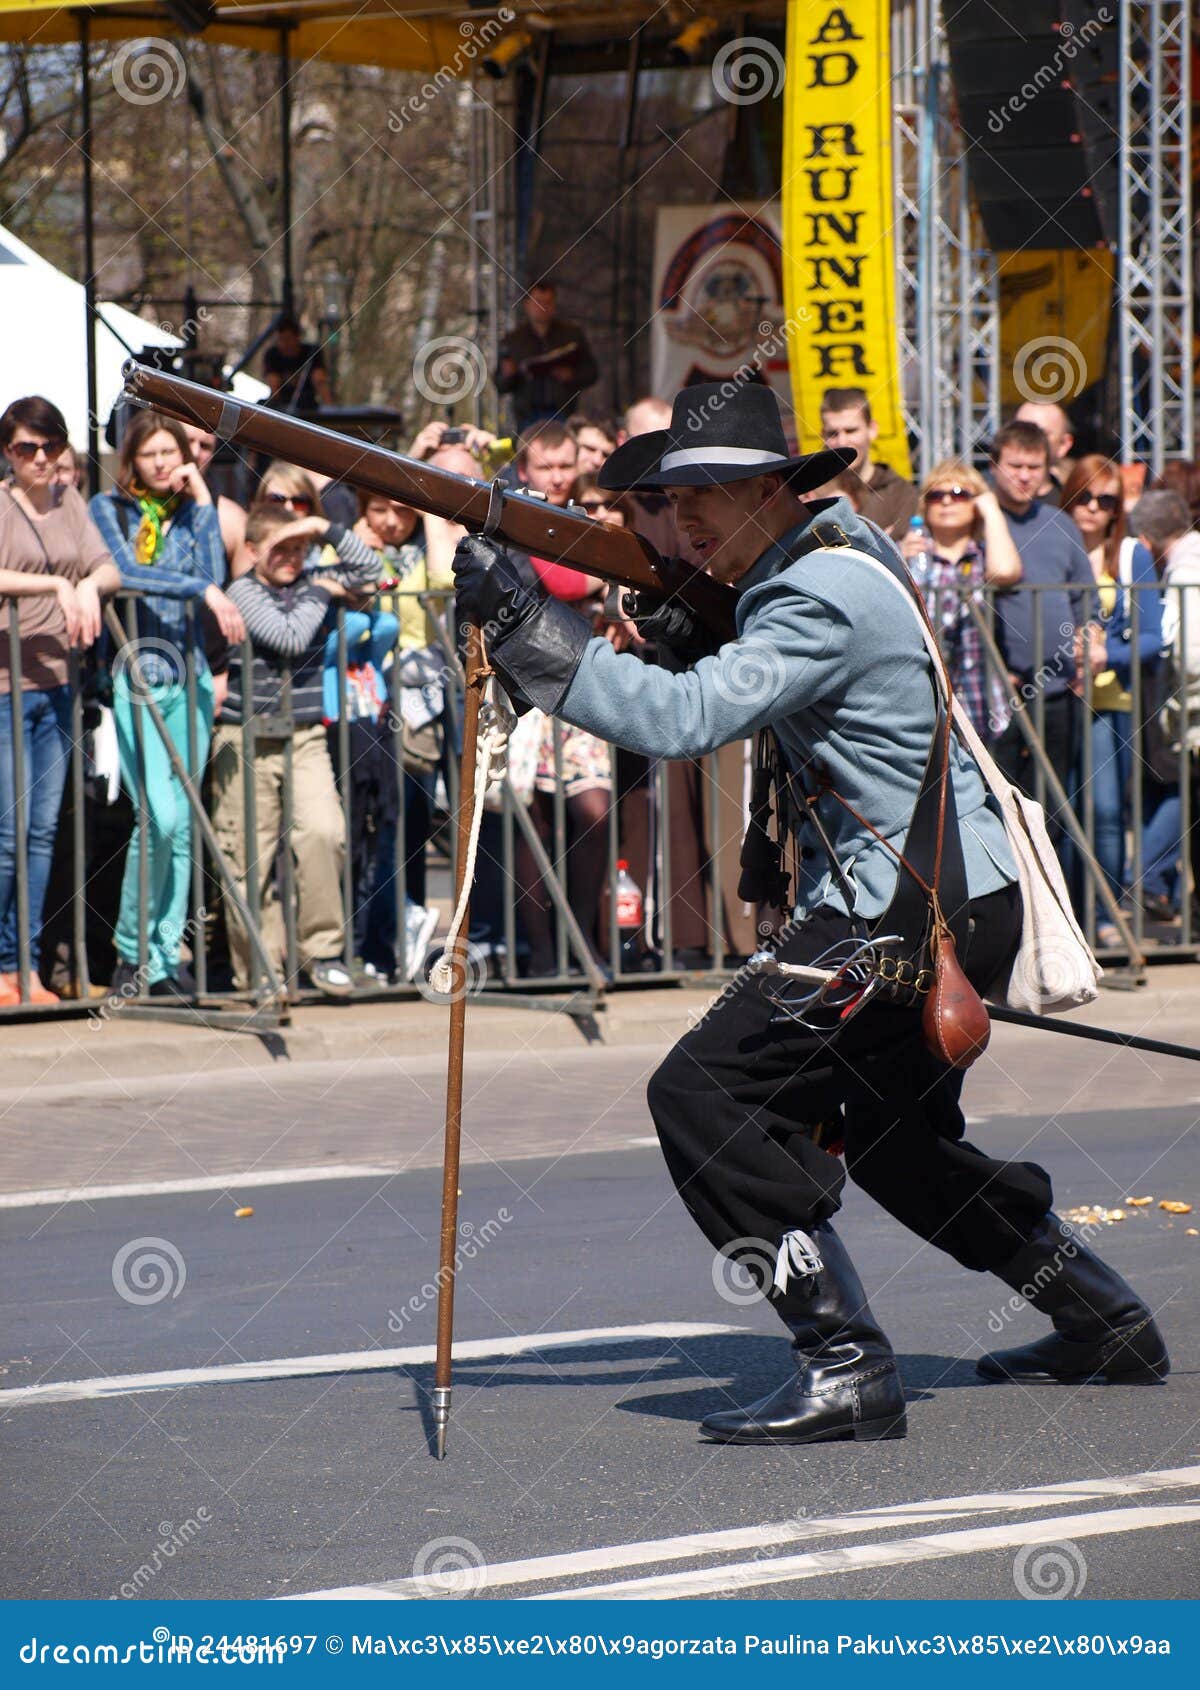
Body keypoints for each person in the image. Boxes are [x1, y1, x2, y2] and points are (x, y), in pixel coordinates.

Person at [452, 380, 1168, 1445]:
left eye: (706, 498)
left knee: (702, 1090)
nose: (682, 522)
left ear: (773, 490)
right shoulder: (826, 558)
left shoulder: (814, 592)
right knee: (890, 1140)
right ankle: (1099, 1315)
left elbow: (687, 719)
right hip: (949, 898)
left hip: (902, 914)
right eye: (669, 503)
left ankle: (844, 1361)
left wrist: (530, 630)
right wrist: (690, 622)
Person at [90, 409, 244, 997]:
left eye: (170, 453)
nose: (161, 464)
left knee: (181, 828)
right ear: (132, 459)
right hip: (140, 676)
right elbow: (127, 572)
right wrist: (199, 588)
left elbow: (213, 572)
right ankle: (130, 949)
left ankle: (160, 959)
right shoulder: (111, 510)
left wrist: (202, 496)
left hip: (193, 679)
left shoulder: (192, 512)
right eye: (150, 454)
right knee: (160, 814)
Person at [210, 502, 378, 998]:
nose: (292, 558)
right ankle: (259, 970)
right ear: (253, 550)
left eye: (300, 548)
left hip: (303, 734)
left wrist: (323, 528)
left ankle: (321, 952)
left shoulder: (309, 578)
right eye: (281, 549)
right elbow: (289, 636)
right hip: (245, 737)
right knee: (248, 860)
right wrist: (324, 590)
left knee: (324, 832)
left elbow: (371, 570)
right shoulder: (242, 590)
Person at [0, 396, 121, 1007]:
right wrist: (56, 584)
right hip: (5, 688)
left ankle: (28, 968)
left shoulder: (70, 502)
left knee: (42, 830)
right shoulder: (2, 505)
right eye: (27, 448)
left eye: (50, 446)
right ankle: (2, 964)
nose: (41, 458)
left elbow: (109, 567)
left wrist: (87, 589)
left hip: (58, 686)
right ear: (8, 453)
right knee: (8, 832)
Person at [1062, 456, 1163, 938]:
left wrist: (1109, 655)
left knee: (1104, 812)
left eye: (1105, 501)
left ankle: (1102, 915)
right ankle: (1062, 915)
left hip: (1108, 702)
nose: (1092, 509)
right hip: (1052, 697)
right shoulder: (1050, 544)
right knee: (1056, 809)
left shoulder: (1128, 555)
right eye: (1083, 496)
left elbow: (1151, 637)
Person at [987, 419, 1094, 849]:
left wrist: (1090, 637)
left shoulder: (1062, 524)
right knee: (998, 802)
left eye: (1035, 466)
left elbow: (1086, 599)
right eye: (1015, 465)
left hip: (1057, 689)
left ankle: (1045, 907)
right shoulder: (983, 520)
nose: (1025, 475)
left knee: (1050, 805)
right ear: (995, 465)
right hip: (998, 691)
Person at [898, 460, 1022, 741]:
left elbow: (1006, 571)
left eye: (958, 494)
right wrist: (901, 555)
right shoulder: (909, 555)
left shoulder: (984, 556)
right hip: (927, 704)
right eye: (935, 495)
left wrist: (991, 512)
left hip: (983, 702)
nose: (945, 502)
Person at [1128, 490, 1200, 921]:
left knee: (1188, 798)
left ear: (1147, 540)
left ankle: (1145, 876)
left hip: (1196, 712)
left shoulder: (1186, 568)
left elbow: (1192, 652)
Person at [496, 278, 598, 431]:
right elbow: (500, 384)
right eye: (537, 302)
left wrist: (571, 376)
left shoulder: (571, 335)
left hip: (563, 412)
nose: (542, 307)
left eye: (548, 302)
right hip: (527, 415)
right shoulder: (513, 340)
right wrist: (508, 375)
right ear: (527, 305)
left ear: (554, 304)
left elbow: (591, 372)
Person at [819, 386, 918, 540]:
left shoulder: (901, 493)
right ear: (822, 435)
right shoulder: (811, 492)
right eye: (833, 434)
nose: (842, 442)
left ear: (872, 429)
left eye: (851, 431)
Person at [181, 422, 247, 567]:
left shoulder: (231, 518)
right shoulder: (132, 503)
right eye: (187, 441)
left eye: (205, 446)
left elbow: (247, 586)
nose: (195, 453)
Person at [262, 315, 332, 412]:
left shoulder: (312, 352)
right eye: (280, 340)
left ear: (297, 337)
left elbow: (320, 380)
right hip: (281, 405)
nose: (283, 344)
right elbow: (273, 383)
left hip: (308, 405)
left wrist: (330, 409)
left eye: (287, 339)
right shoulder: (272, 354)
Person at [1013, 401, 1075, 504]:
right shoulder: (985, 495)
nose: (1029, 440)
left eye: (1042, 433)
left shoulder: (1071, 505)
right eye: (1021, 431)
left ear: (1064, 445)